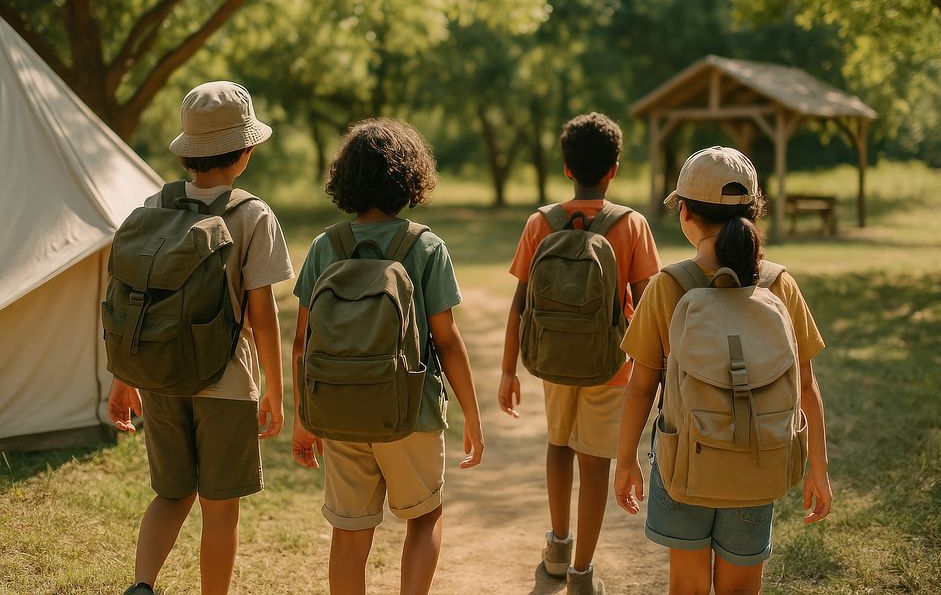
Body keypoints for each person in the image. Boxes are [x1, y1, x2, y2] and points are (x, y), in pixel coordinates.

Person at [614, 146, 832, 595]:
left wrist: (625, 461)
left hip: (683, 465)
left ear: (686, 212)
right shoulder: (778, 284)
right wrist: (819, 468)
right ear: (754, 213)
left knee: (688, 587)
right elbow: (806, 384)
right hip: (759, 463)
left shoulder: (668, 286)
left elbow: (640, 386)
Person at [108, 81, 294, 595]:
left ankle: (142, 585)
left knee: (171, 494)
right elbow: (262, 315)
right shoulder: (253, 214)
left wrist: (124, 378)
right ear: (245, 153)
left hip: (159, 377)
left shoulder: (154, 204)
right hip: (226, 384)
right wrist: (275, 390)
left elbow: (132, 299)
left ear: (189, 152)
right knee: (220, 509)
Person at [290, 118, 485, 595]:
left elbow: (302, 342)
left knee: (349, 534)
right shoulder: (426, 246)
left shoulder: (325, 246)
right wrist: (473, 416)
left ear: (345, 179)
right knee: (425, 517)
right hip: (410, 412)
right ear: (411, 179)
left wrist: (304, 418)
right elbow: (448, 341)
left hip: (339, 411)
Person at [499, 112, 661, 594]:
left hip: (553, 361)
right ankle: (582, 573)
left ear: (566, 167)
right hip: (610, 367)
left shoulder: (540, 223)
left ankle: (557, 547)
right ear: (614, 168)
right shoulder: (631, 225)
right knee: (595, 464)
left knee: (559, 446)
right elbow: (649, 303)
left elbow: (520, 303)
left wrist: (509, 370)